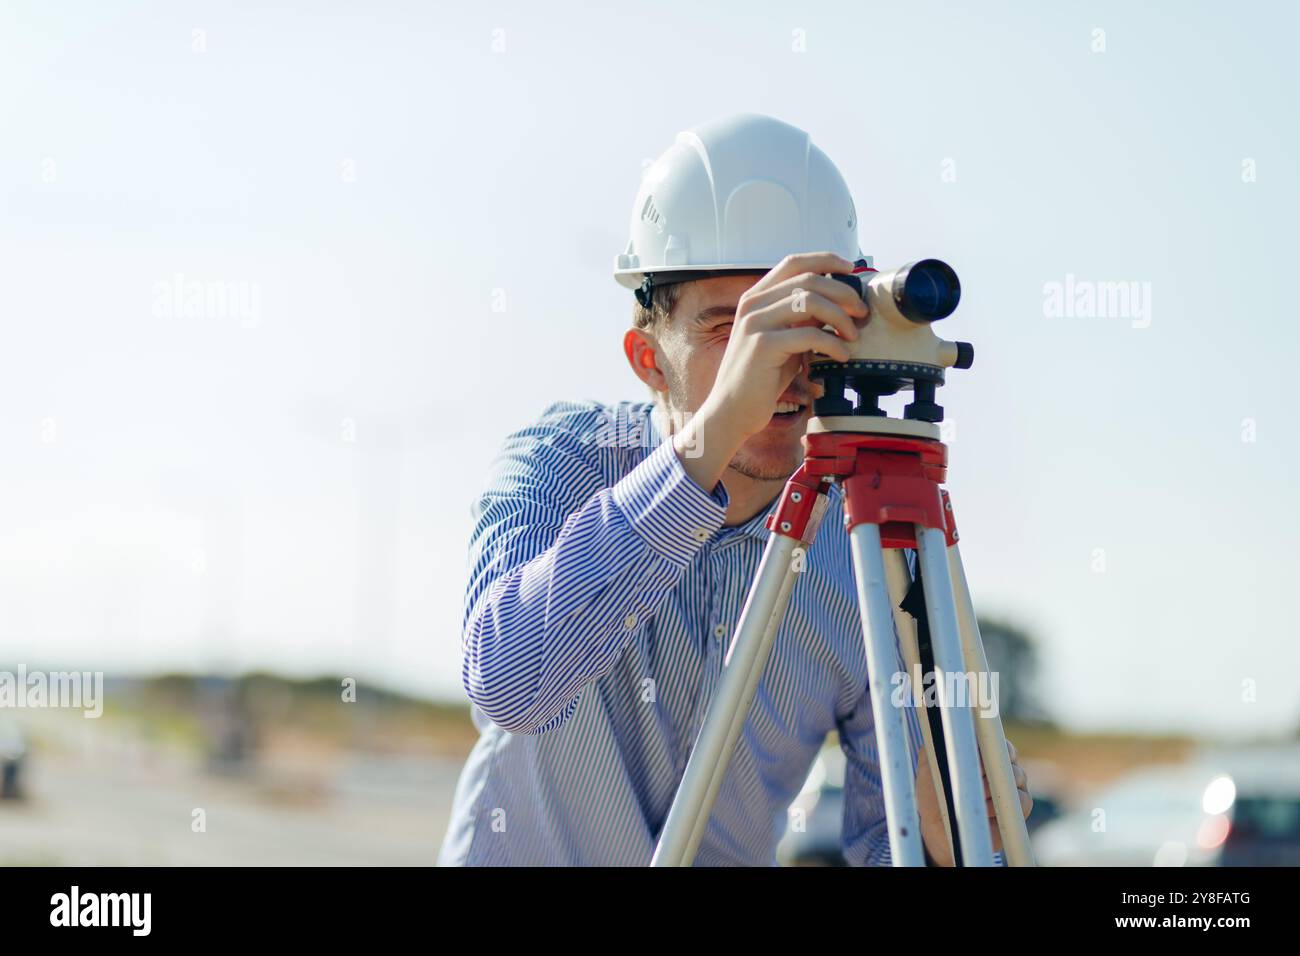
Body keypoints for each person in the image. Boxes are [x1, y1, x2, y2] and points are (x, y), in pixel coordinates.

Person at [437, 113, 1030, 866]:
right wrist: (711, 438)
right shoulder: (560, 460)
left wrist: (950, 852)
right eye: (733, 330)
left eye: (803, 319)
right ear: (648, 359)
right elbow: (510, 684)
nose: (779, 359)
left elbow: (890, 841)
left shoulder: (863, 551)